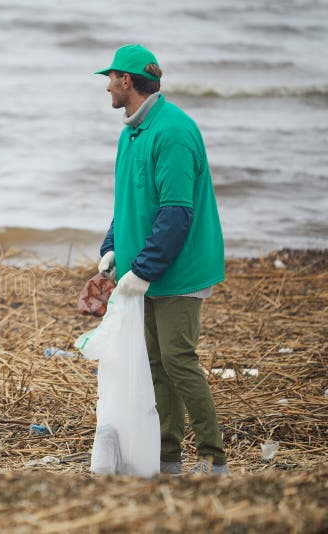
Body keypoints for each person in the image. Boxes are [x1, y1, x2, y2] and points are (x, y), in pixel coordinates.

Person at [94, 45, 228, 475]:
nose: (108, 86)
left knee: (177, 359)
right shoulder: (130, 132)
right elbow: (127, 200)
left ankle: (212, 460)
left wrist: (145, 269)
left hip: (180, 270)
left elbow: (176, 211)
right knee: (156, 364)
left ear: (127, 81)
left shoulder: (173, 131)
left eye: (111, 78)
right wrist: (112, 247)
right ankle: (168, 459)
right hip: (145, 269)